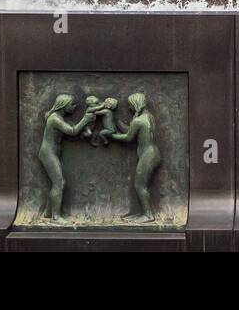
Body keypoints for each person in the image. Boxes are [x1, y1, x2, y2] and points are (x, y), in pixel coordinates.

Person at [38, 94, 96, 222]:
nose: (74, 107)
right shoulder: (54, 119)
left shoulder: (60, 118)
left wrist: (85, 132)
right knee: (60, 183)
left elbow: (72, 133)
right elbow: (72, 131)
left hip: (53, 153)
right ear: (64, 106)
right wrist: (85, 119)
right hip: (48, 154)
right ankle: (56, 217)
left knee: (56, 182)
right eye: (72, 105)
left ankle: (49, 213)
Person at [109, 92, 163, 221]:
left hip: (148, 156)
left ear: (135, 103)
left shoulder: (138, 120)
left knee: (140, 185)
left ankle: (148, 215)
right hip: (152, 153)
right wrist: (117, 121)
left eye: (130, 105)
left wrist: (110, 135)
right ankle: (143, 213)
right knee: (141, 184)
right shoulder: (148, 116)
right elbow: (131, 130)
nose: (129, 108)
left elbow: (128, 137)